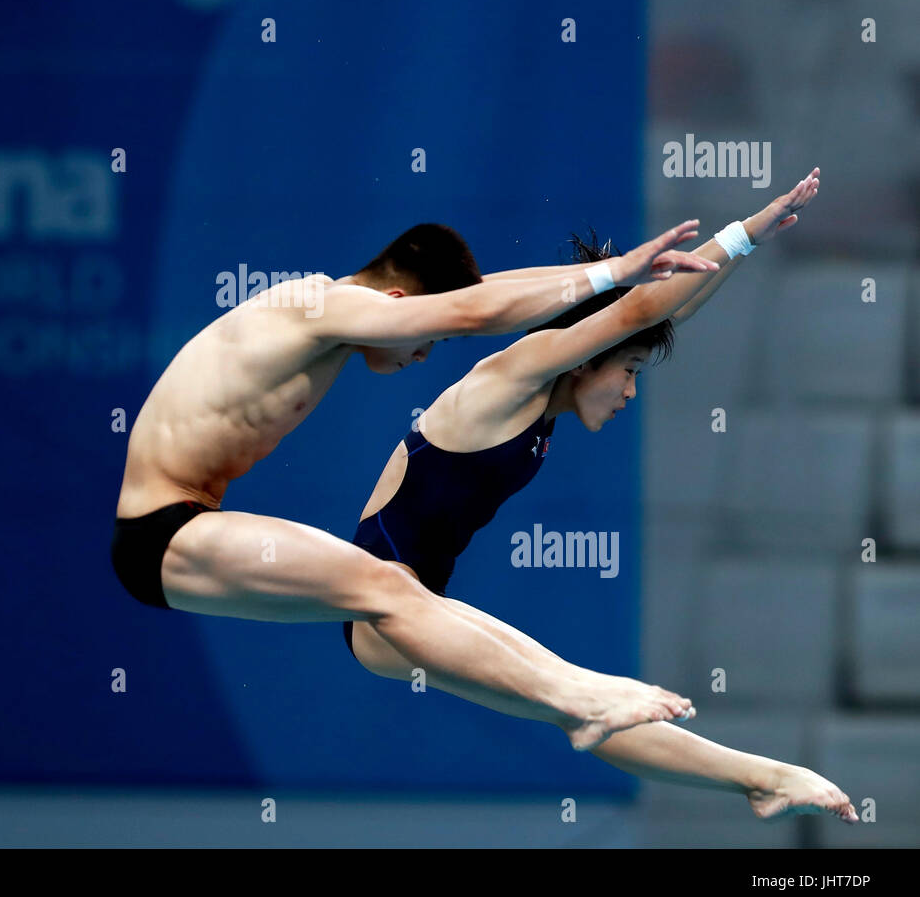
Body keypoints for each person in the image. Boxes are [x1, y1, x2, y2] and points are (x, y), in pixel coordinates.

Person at [341, 170, 856, 821]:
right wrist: (740, 230)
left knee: (587, 705)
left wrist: (752, 237)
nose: (631, 393)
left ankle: (763, 778)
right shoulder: (513, 374)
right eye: (630, 371)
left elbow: (671, 308)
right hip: (383, 607)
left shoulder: (547, 394)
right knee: (581, 698)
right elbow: (643, 307)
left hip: (414, 608)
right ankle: (763, 776)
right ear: (589, 356)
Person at [114, 220, 719, 750]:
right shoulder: (322, 306)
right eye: (424, 337)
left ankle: (574, 694)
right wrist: (615, 270)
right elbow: (473, 313)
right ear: (396, 301)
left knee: (384, 590)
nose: (425, 354)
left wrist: (608, 279)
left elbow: (484, 295)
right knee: (387, 586)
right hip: (161, 531)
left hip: (181, 530)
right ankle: (573, 702)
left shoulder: (324, 314)